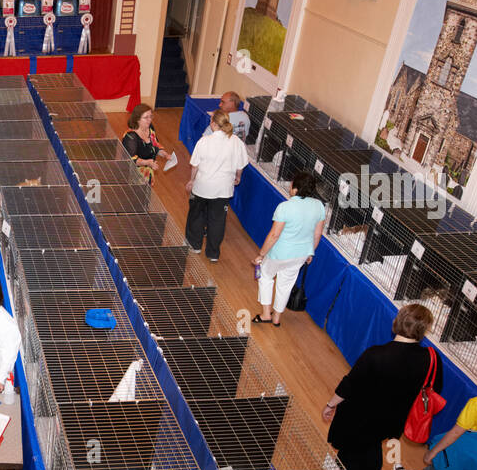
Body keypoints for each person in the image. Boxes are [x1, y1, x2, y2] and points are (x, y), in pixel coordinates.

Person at [323, 303, 444, 470]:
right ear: (423, 330)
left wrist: (330, 405)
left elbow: (349, 385)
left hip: (360, 417)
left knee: (349, 456)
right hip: (394, 419)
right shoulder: (431, 358)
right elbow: (434, 390)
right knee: (370, 446)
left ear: (396, 322)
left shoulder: (376, 354)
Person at [251, 171, 326, 326]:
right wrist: (310, 251)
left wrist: (261, 254)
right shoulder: (319, 206)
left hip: (279, 253)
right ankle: (277, 317)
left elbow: (274, 235)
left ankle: (266, 314)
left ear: (295, 188)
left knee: (265, 276)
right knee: (286, 284)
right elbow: (317, 234)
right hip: (301, 255)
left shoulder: (284, 207)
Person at [185, 110, 247, 262]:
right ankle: (213, 253)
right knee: (218, 221)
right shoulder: (237, 142)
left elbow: (195, 165)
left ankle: (195, 245)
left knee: (196, 216)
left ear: (213, 124)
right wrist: (238, 177)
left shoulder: (204, 141)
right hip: (223, 190)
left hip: (202, 187)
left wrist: (191, 181)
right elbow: (240, 165)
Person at [121, 104, 175, 184]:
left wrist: (165, 155)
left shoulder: (150, 129)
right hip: (132, 176)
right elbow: (131, 159)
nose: (149, 120)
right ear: (137, 119)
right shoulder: (130, 136)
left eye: (151, 116)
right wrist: (147, 162)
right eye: (146, 117)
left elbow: (155, 146)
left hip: (146, 174)